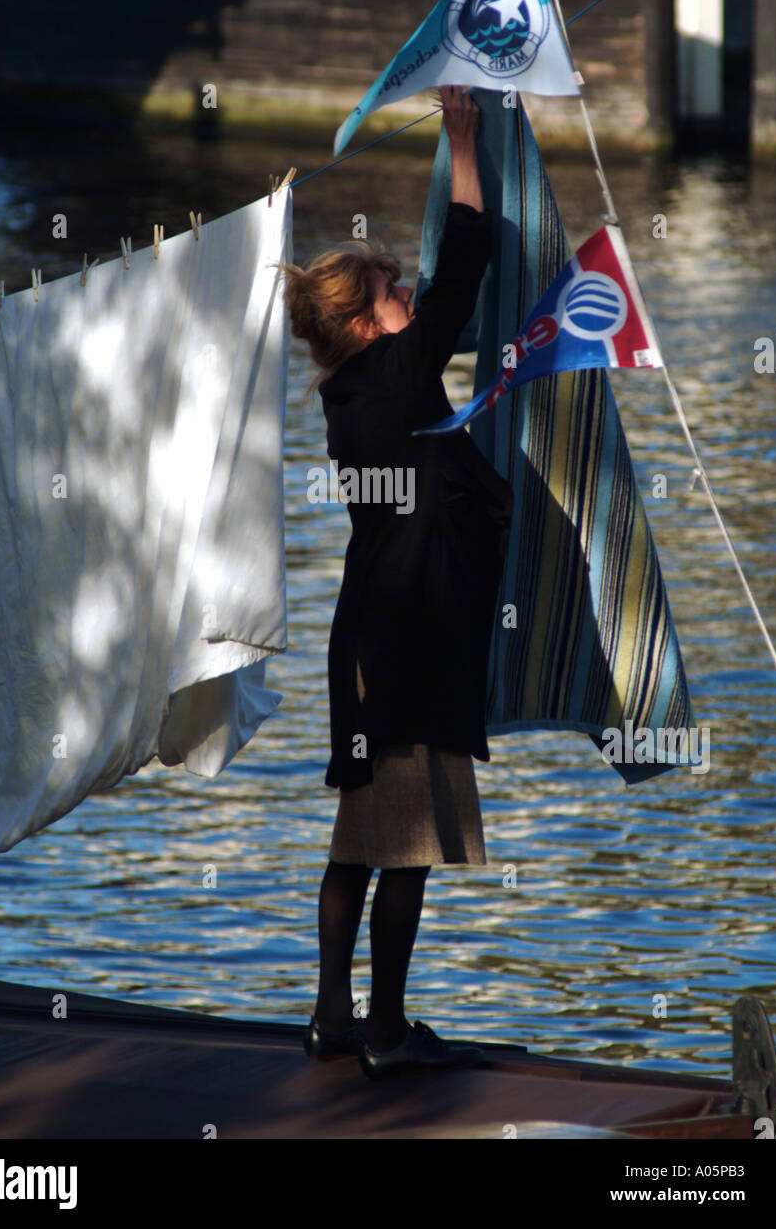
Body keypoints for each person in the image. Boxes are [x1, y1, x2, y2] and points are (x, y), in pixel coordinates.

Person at [279, 86, 513, 1078]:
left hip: (370, 636)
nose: (409, 295)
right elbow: (466, 255)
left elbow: (446, 277)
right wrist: (462, 141)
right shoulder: (401, 370)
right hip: (409, 634)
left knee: (358, 836)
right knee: (404, 843)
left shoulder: (350, 392)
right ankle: (382, 1029)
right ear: (366, 324)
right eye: (392, 291)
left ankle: (334, 1016)